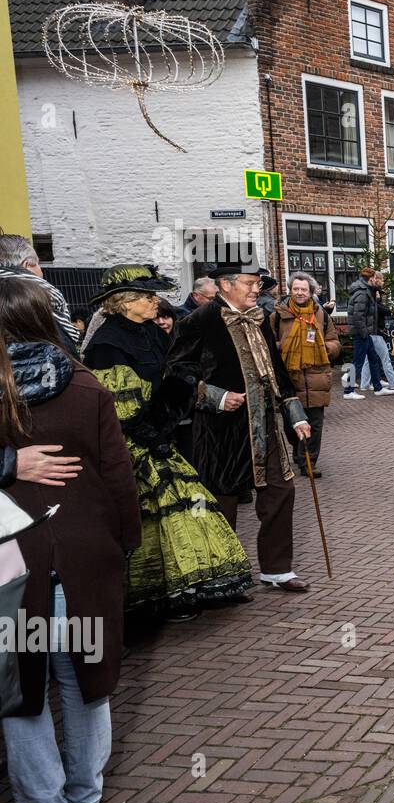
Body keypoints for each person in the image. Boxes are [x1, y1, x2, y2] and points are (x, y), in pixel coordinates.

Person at [0, 281, 140, 803]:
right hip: (84, 562)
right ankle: (85, 795)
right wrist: (123, 545)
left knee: (21, 697)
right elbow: (118, 477)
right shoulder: (87, 386)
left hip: (12, 567)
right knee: (87, 688)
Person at [80, 266, 255, 617]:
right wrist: (158, 423)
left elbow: (177, 372)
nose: (154, 301)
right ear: (123, 301)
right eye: (145, 296)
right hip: (134, 447)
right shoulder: (107, 344)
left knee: (192, 510)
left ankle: (197, 587)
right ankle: (160, 597)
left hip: (162, 435)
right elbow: (119, 409)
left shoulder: (153, 333)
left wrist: (185, 383)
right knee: (154, 520)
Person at [162, 252, 315, 593]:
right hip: (222, 431)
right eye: (249, 283)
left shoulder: (260, 318)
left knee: (281, 491)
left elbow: (277, 373)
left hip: (265, 427)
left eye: (257, 283)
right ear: (226, 285)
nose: (255, 289)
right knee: (222, 502)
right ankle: (222, 574)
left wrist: (296, 417)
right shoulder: (197, 322)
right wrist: (215, 396)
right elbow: (176, 375)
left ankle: (276, 569)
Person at [273, 272, 341, 477]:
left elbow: (335, 342)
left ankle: (309, 462)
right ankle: (298, 451)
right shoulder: (277, 315)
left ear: (311, 292)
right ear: (290, 290)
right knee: (291, 424)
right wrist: (286, 348)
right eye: (296, 289)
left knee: (315, 424)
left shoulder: (321, 315)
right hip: (290, 378)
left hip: (316, 376)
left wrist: (324, 348)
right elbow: (267, 343)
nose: (300, 293)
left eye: (303, 289)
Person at [0, 235, 80, 350]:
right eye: (38, 264)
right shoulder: (41, 297)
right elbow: (65, 348)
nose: (41, 271)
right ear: (26, 265)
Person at [343, 268, 388, 400]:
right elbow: (358, 315)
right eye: (375, 277)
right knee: (358, 362)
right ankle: (348, 391)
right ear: (371, 278)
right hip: (361, 333)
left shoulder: (367, 290)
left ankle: (378, 388)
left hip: (364, 332)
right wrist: (364, 333)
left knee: (373, 359)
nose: (376, 280)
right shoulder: (363, 293)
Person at [357, 272, 394, 394]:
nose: (383, 283)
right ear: (374, 279)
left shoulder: (365, 293)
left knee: (368, 359)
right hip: (373, 332)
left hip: (369, 332)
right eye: (381, 280)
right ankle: (393, 382)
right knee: (384, 357)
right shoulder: (369, 295)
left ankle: (365, 384)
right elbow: (375, 311)